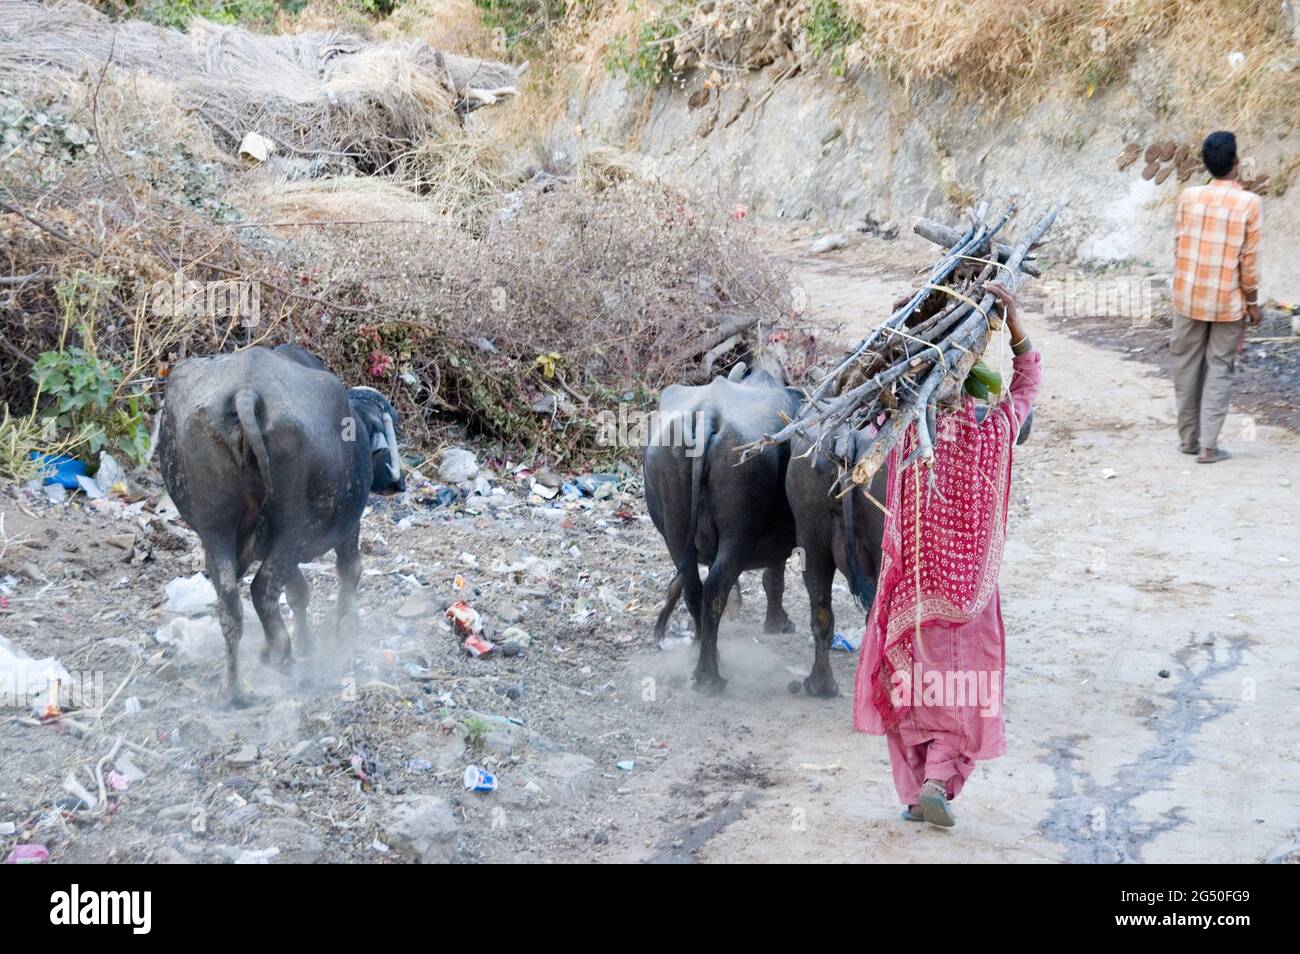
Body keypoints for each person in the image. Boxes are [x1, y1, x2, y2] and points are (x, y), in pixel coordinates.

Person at [852, 281, 1039, 828]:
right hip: (971, 599)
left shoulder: (907, 429)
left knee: (906, 683)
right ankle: (938, 779)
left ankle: (914, 792)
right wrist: (1017, 324)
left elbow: (871, 396)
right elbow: (1027, 385)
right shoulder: (997, 430)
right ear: (976, 386)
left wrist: (900, 333)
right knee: (965, 687)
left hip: (910, 588)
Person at [1170, 130, 1262, 464]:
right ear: (1235, 162)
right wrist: (1252, 304)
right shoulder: (1250, 204)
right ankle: (1209, 446)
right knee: (1220, 367)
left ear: (1206, 164)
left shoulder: (1189, 197)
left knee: (1186, 366)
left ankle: (1188, 440)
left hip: (1189, 297)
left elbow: (1179, 245)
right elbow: (1248, 262)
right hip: (1228, 302)